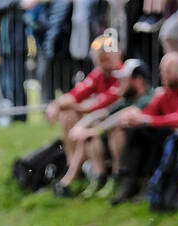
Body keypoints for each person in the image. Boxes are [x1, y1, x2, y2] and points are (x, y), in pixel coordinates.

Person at [110, 52, 178, 205]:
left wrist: (146, 120)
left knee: (157, 131)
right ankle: (130, 182)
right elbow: (147, 114)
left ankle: (150, 181)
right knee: (138, 129)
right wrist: (134, 117)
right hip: (176, 141)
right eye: (162, 71)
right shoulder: (165, 95)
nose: (163, 75)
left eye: (168, 71)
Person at [66, 58, 154, 199]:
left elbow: (123, 115)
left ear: (138, 80)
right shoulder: (127, 99)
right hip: (128, 149)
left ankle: (118, 177)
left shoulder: (149, 98)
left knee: (115, 131)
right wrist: (80, 126)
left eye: (125, 80)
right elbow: (104, 112)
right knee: (91, 135)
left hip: (144, 152)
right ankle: (99, 178)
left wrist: (96, 130)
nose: (121, 84)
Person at [46, 34, 122, 195]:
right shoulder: (99, 73)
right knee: (70, 115)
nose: (102, 65)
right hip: (99, 120)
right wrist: (56, 105)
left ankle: (71, 178)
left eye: (105, 59)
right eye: (100, 61)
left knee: (84, 125)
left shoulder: (122, 75)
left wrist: (66, 106)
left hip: (114, 122)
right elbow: (75, 94)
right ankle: (74, 168)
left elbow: (98, 105)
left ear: (117, 55)